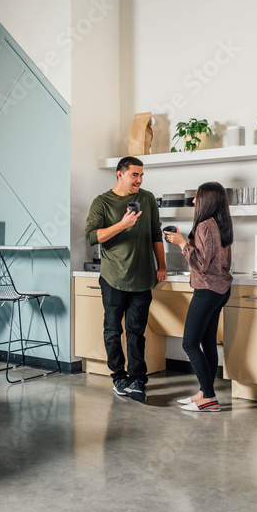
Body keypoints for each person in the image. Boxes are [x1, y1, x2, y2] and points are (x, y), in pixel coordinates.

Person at [85, 156, 167, 403]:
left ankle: (138, 379)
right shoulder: (102, 202)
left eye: (141, 175)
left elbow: (155, 234)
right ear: (119, 174)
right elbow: (91, 236)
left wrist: (162, 265)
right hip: (113, 277)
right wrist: (122, 224)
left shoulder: (148, 198)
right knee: (112, 330)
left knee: (136, 332)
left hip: (142, 278)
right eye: (134, 175)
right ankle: (119, 376)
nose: (139, 180)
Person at [163, 182, 233, 412]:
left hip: (207, 290)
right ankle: (204, 392)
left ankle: (210, 397)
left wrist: (182, 243)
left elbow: (202, 264)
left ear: (206, 201)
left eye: (197, 197)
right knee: (207, 342)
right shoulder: (221, 225)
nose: (193, 201)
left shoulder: (205, 225)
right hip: (221, 289)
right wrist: (184, 241)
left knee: (189, 343)